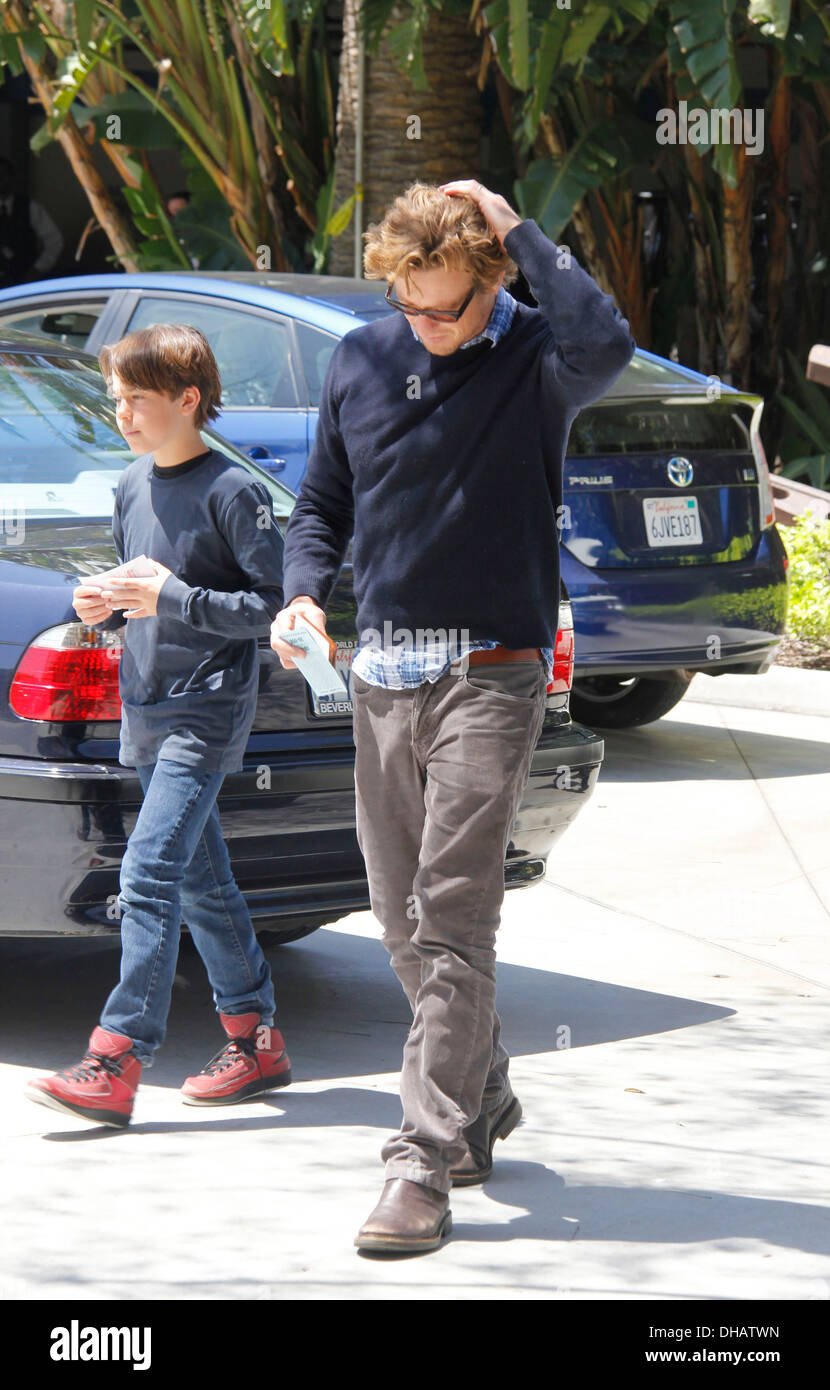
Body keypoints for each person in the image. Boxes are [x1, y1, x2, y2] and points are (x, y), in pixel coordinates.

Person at [271, 179, 636, 1254]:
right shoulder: (361, 359)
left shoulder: (538, 361)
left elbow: (604, 335)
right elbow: (322, 502)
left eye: (444, 307)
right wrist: (302, 588)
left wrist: (517, 225)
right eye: (405, 303)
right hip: (379, 675)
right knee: (396, 920)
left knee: (453, 913)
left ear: (491, 280)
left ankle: (419, 1161)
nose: (422, 327)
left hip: (493, 669)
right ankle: (479, 1089)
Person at [26, 323, 290, 1127]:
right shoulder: (132, 484)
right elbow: (135, 595)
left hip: (206, 714)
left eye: (136, 400)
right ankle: (256, 1037)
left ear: (188, 399)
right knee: (203, 882)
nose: (123, 416)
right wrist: (101, 607)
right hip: (145, 708)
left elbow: (268, 609)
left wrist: (169, 595)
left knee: (147, 875)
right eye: (116, 400)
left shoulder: (233, 491)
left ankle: (117, 1057)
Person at [0, 156, 64, 287]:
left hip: (23, 281)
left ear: (12, 178)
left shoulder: (29, 207)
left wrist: (37, 269)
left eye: (3, 175)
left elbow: (55, 241)